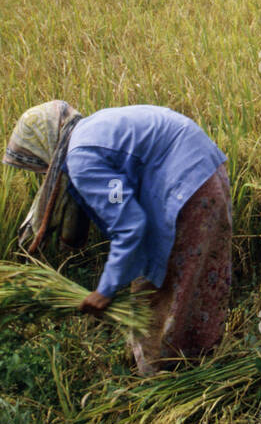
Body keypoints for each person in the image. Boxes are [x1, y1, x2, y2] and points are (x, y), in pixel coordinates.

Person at [3, 101, 232, 376]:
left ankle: (165, 376)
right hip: (207, 172)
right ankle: (197, 360)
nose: (45, 172)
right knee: (185, 280)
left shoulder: (81, 159)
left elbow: (129, 224)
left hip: (189, 191)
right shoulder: (89, 132)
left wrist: (105, 290)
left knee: (158, 290)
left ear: (44, 145)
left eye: (41, 165)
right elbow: (124, 203)